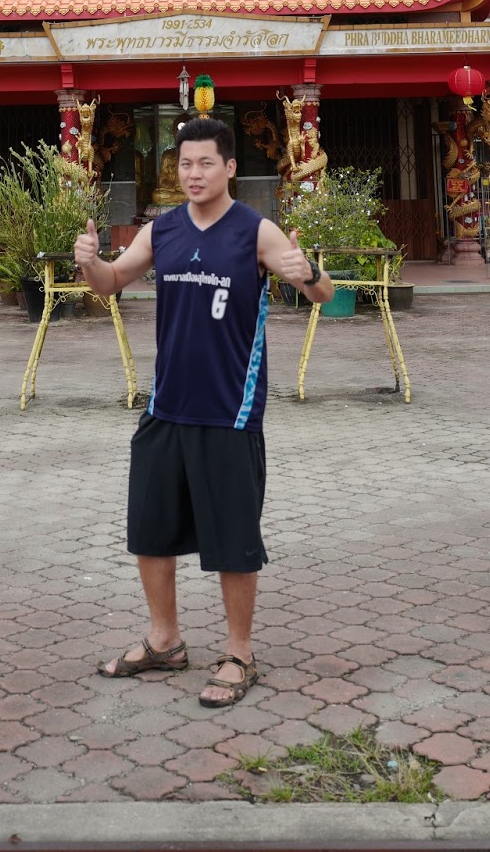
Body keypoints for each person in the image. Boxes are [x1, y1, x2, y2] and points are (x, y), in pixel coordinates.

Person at [73, 115, 333, 708]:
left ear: (230, 168)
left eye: (206, 163)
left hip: (230, 412)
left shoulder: (255, 230)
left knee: (233, 539)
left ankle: (239, 654)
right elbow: (110, 283)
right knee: (150, 528)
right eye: (184, 163)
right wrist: (89, 260)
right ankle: (164, 640)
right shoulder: (162, 230)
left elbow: (324, 293)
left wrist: (308, 272)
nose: (194, 173)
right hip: (167, 405)